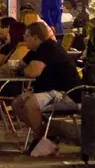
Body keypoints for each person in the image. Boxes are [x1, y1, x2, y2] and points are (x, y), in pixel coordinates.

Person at [11, 22, 81, 154]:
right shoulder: (34, 51)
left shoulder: (48, 48)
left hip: (66, 93)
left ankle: (40, 138)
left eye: (26, 36)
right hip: (49, 91)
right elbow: (18, 66)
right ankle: (45, 134)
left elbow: (32, 72)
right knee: (17, 103)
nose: (24, 39)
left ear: (36, 38)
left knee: (31, 103)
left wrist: (24, 69)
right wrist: (23, 68)